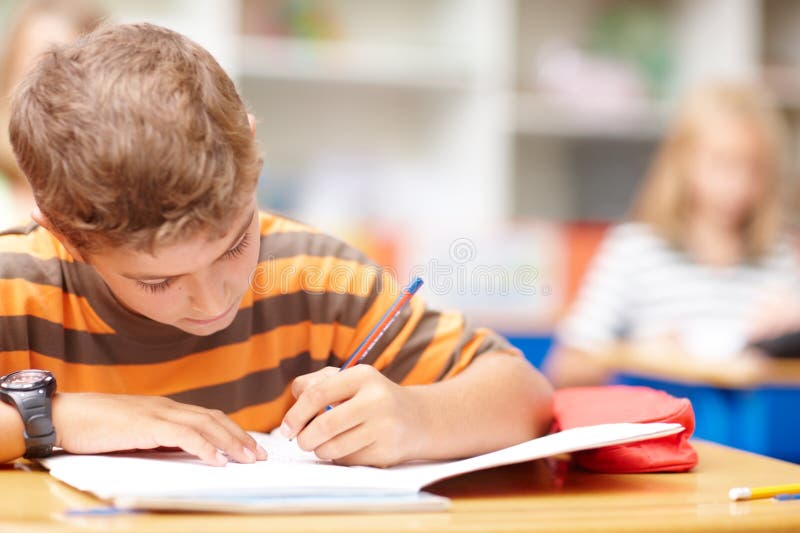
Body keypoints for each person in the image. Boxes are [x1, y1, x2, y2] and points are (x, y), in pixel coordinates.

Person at [0, 23, 553, 466]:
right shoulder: (15, 289)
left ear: (252, 157)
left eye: (236, 245)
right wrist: (49, 418)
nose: (215, 300)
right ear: (65, 236)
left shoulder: (316, 276)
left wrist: (419, 417)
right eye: (158, 280)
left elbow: (522, 391)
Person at [546, 82, 800, 388]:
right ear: (683, 162)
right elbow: (566, 366)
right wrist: (644, 357)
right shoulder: (634, 249)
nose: (739, 184)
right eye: (723, 163)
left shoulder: (778, 255)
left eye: (755, 168)